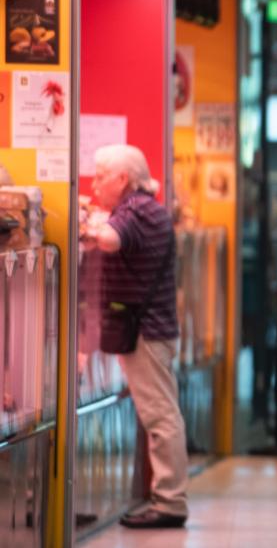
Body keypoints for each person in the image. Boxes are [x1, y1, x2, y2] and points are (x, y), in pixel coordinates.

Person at [87, 145, 188, 529]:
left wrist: (87, 226)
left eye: (100, 176)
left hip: (146, 331)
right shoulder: (149, 208)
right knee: (162, 414)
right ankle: (168, 496)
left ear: (122, 180)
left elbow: (113, 240)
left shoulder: (135, 211)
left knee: (160, 416)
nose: (94, 184)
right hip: (154, 329)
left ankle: (170, 501)